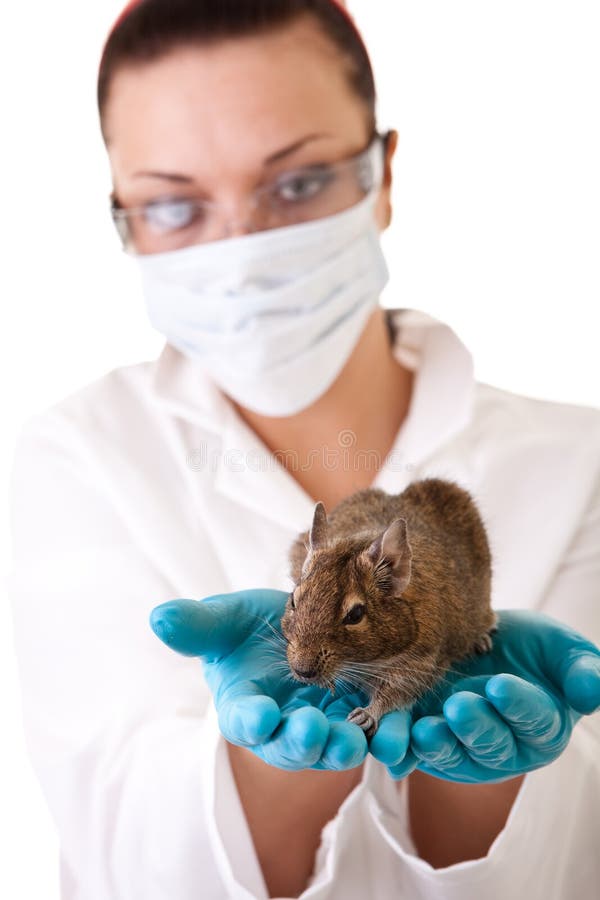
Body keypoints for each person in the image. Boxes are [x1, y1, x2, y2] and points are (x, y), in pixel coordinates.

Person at [7, 1, 600, 898]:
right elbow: (128, 858)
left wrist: (494, 770)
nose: (241, 252)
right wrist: (280, 749)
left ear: (384, 173)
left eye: (296, 183)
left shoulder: (581, 462)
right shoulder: (66, 461)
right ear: (122, 218)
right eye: (172, 202)